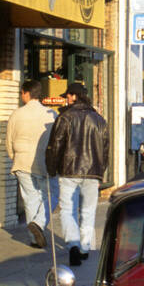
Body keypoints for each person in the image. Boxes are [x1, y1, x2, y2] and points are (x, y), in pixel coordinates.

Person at [45, 81, 109, 266]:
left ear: (74, 96)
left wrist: (51, 167)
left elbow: (55, 145)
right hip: (92, 172)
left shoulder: (65, 118)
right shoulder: (99, 119)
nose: (66, 99)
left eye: (67, 96)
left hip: (69, 170)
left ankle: (73, 244)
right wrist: (101, 171)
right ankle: (85, 247)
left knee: (68, 210)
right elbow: (105, 149)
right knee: (88, 211)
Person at [5, 80, 55, 248]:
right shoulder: (51, 114)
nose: (21, 96)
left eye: (21, 93)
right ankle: (39, 224)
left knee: (30, 199)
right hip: (42, 162)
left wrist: (14, 157)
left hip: (21, 161)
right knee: (51, 195)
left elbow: (9, 141)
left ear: (26, 93)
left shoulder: (16, 114)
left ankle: (35, 237)